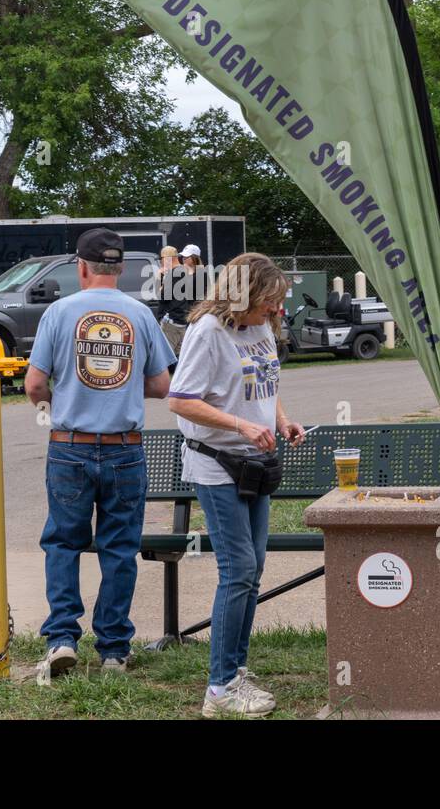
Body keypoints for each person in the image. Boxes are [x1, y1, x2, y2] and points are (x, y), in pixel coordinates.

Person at [24, 227, 175, 678]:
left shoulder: (58, 312)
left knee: (62, 543)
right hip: (125, 450)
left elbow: (34, 383)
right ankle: (113, 649)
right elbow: (163, 384)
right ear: (121, 267)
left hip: (69, 447)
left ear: (81, 267)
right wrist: (125, 387)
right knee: (119, 548)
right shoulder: (141, 314)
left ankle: (62, 638)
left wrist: (54, 403)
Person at [168, 252, 306, 717]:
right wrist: (241, 426)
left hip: (255, 463)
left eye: (277, 303)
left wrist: (281, 420)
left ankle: (236, 670)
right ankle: (220, 689)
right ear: (240, 294)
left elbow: (265, 381)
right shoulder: (208, 331)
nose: (274, 311)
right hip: (217, 464)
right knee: (239, 569)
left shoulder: (259, 327)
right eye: (267, 302)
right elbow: (181, 401)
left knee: (254, 568)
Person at [156, 245, 194, 366]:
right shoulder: (185, 271)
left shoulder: (173, 274)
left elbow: (162, 296)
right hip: (182, 318)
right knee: (180, 358)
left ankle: (166, 383)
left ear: (167, 258)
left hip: (171, 320)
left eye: (162, 259)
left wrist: (159, 277)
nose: (161, 262)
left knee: (165, 357)